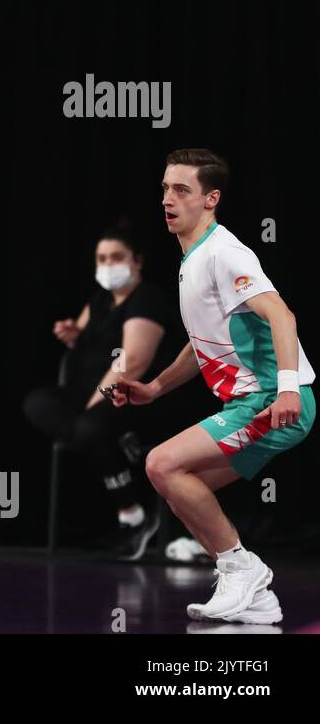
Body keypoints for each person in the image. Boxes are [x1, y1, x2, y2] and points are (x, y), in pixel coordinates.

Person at [109, 148, 314, 625]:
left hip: (274, 401)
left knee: (161, 462)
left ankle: (242, 570)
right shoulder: (193, 259)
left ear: (210, 199)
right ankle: (257, 601)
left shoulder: (225, 253)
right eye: (164, 188)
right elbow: (202, 344)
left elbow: (282, 315)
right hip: (257, 401)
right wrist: (155, 387)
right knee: (183, 485)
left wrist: (286, 388)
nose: (168, 198)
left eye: (182, 189)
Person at [23, 221, 184, 559]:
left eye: (116, 257)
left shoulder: (148, 299)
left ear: (137, 261)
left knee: (90, 426)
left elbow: (134, 360)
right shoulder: (99, 300)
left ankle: (132, 513)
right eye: (102, 259)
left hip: (132, 396)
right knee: (38, 403)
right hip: (90, 393)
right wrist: (72, 332)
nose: (108, 266)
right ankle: (115, 449)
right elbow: (82, 333)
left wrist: (97, 401)